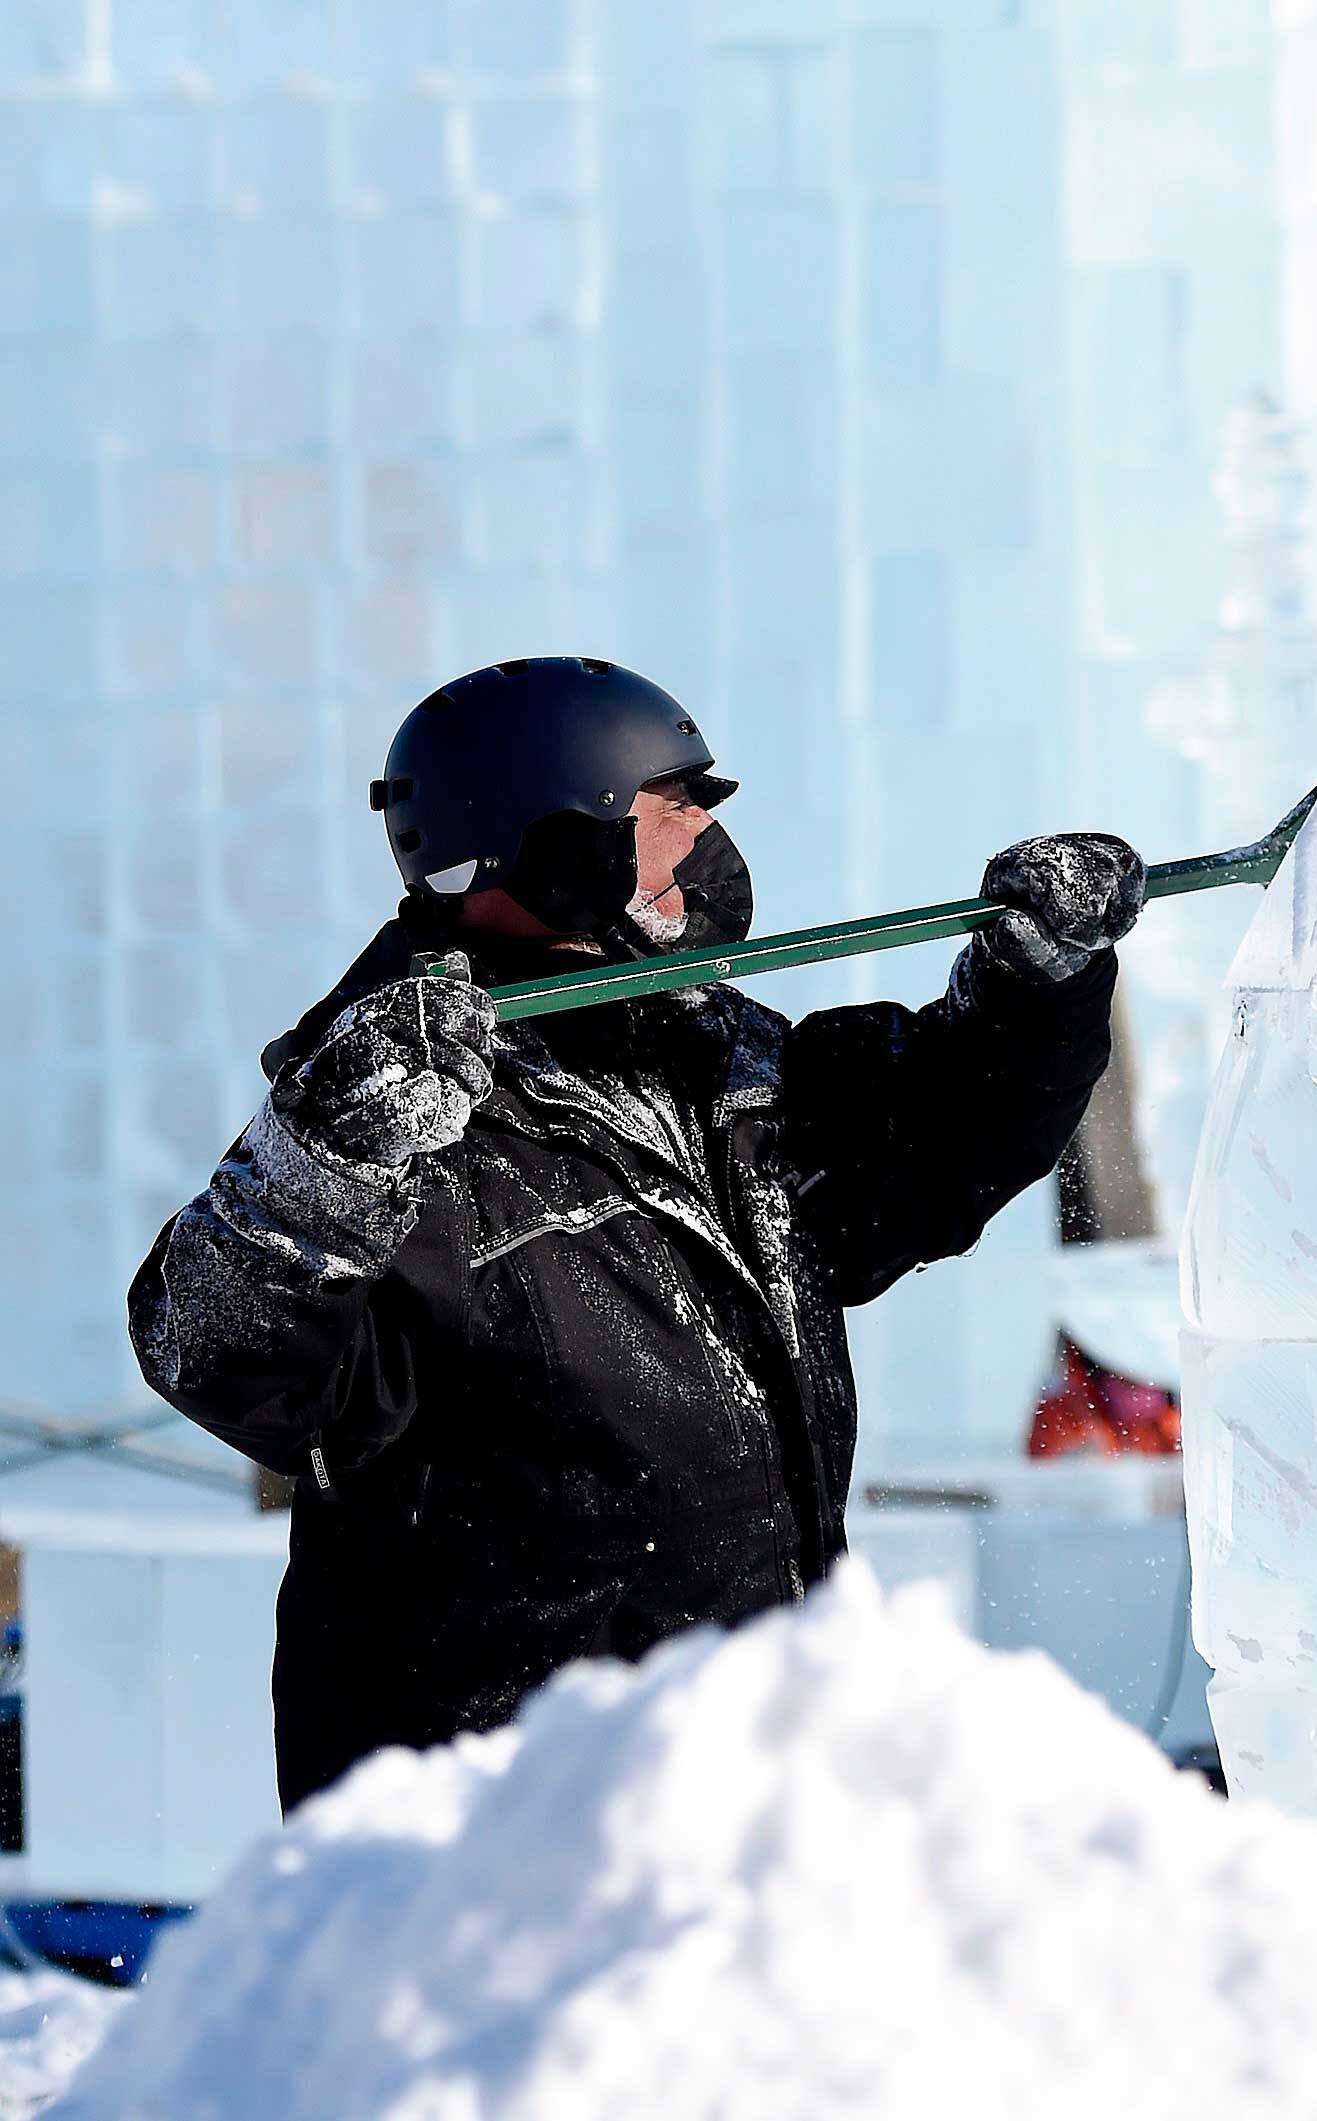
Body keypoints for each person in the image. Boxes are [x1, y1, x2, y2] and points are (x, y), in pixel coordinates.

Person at [128, 657, 1143, 1811]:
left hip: (744, 1778)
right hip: (495, 1821)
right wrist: (319, 1168)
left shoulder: (712, 1053)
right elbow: (220, 1358)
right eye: (676, 811)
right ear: (555, 846)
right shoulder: (401, 1123)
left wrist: (1035, 990)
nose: (710, 841)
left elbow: (924, 1165)